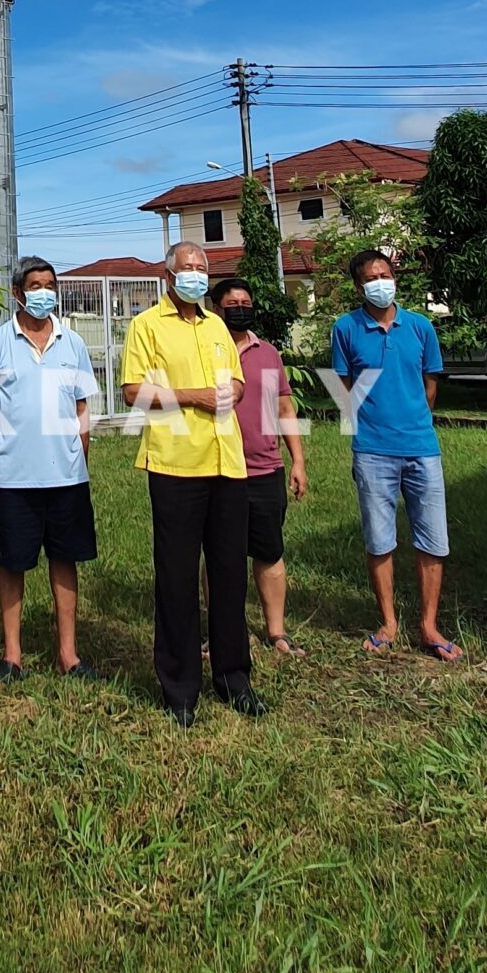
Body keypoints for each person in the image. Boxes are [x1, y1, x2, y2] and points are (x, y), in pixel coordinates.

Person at [120, 242, 264, 726]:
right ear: (168, 275)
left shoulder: (219, 324)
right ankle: (180, 687)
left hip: (228, 463)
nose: (196, 276)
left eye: (203, 268)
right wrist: (194, 396)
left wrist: (232, 391)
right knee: (178, 579)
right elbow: (133, 391)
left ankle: (233, 677)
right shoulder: (146, 325)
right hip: (177, 464)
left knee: (229, 576)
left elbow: (239, 382)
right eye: (187, 268)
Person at [0, 256, 102, 685]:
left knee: (65, 561)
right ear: (17, 292)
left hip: (66, 477)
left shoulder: (74, 344)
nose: (44, 292)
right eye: (35, 284)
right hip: (13, 477)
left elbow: (83, 409)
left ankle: (68, 654)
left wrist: (79, 460)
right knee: (12, 563)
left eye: (50, 284)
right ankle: (12, 655)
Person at [332, 249, 460, 660]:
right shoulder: (345, 328)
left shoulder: (421, 327)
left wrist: (411, 419)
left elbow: (430, 386)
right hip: (372, 451)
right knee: (379, 538)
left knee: (432, 538)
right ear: (359, 286)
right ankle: (387, 622)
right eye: (371, 278)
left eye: (385, 274)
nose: (380, 282)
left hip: (422, 448)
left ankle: (428, 625)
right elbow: (343, 389)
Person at [212, 278, 308, 654]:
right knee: (220, 554)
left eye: (246, 301)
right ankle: (220, 629)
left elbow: (284, 409)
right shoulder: (208, 349)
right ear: (217, 308)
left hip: (265, 468)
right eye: (232, 302)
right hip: (218, 467)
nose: (240, 307)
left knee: (269, 551)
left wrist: (297, 460)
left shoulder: (267, 353)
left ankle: (276, 631)